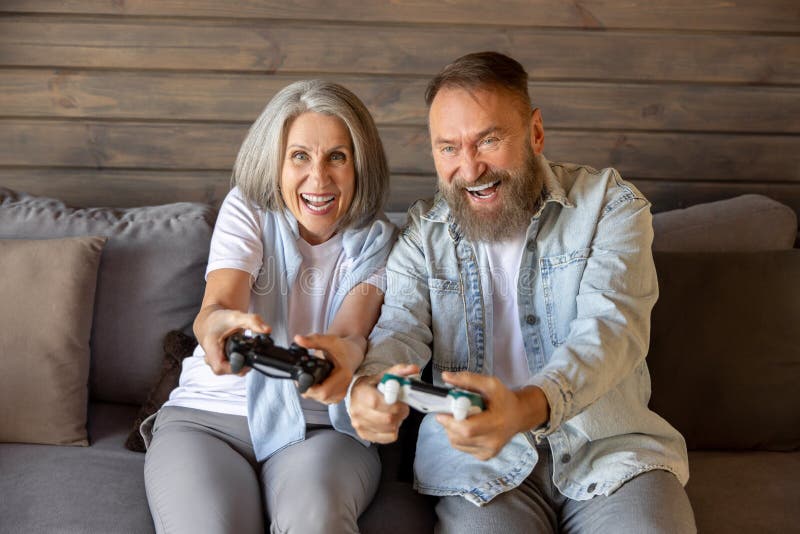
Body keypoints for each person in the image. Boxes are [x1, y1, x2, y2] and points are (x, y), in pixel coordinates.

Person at [347, 52, 696, 533]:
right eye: (448, 148)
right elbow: (398, 332)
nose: (470, 168)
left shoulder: (610, 206)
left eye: (488, 140)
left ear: (535, 133)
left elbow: (611, 329)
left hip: (611, 452)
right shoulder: (421, 237)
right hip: (477, 465)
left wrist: (525, 408)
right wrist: (368, 386)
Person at [142, 80, 396, 534]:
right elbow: (220, 303)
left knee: (315, 521)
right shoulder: (248, 209)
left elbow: (350, 332)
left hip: (321, 426)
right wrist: (219, 325)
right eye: (299, 156)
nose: (319, 179)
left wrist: (339, 357)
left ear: (360, 164)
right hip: (208, 419)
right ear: (275, 164)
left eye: (337, 157)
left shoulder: (379, 241)